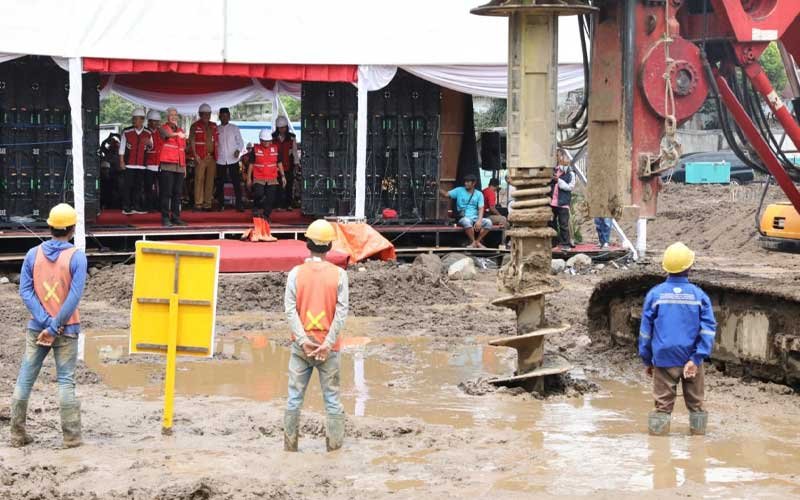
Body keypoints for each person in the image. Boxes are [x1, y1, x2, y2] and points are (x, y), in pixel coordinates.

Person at [10, 203, 87, 448]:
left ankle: (17, 434)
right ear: (72, 229)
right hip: (67, 329)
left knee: (25, 379)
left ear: (50, 226)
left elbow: (25, 291)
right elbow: (74, 297)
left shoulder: (33, 254)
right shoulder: (77, 257)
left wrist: (44, 322)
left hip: (37, 328)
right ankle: (71, 437)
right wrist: (55, 327)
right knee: (66, 381)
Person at [284, 219, 348, 452]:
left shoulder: (295, 274)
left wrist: (303, 341)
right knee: (332, 399)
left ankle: (290, 448)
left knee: (294, 399)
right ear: (329, 246)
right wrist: (328, 343)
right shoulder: (340, 275)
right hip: (329, 349)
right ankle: (334, 449)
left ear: (307, 243)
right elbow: (341, 313)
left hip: (301, 347)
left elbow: (290, 310)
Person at [639, 242, 717, 437]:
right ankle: (698, 446)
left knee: (662, 406)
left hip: (664, 359)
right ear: (689, 267)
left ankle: (658, 449)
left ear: (665, 267)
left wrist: (647, 360)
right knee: (696, 405)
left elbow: (645, 333)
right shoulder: (699, 296)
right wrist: (696, 359)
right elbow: (708, 329)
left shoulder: (655, 295)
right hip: (692, 360)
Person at [440, 174, 492, 248]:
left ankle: (477, 241)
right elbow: (446, 194)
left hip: (475, 217)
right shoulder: (459, 190)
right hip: (463, 217)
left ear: (474, 183)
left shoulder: (479, 194)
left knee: (488, 223)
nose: (465, 183)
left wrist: (479, 220)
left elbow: (481, 208)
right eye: (465, 182)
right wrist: (437, 187)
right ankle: (473, 242)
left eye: (468, 182)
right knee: (466, 221)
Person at [246, 129, 285, 222]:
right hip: (259, 177)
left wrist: (283, 176)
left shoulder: (275, 149)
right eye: (265, 141)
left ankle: (266, 215)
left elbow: (279, 163)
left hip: (272, 178)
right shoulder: (255, 150)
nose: (267, 143)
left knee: (271, 198)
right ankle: (256, 206)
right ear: (260, 140)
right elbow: (251, 165)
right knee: (259, 193)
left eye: (268, 141)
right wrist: (248, 179)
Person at [119, 108, 152, 215]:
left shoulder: (148, 132)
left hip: (142, 165)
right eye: (133, 119)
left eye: (136, 119)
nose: (133, 121)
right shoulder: (126, 131)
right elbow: (122, 148)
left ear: (142, 120)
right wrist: (121, 161)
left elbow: (151, 147)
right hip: (129, 164)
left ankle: (136, 206)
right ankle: (126, 206)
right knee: (127, 185)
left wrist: (149, 144)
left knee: (138, 186)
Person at [158, 107, 188, 227]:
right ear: (167, 116)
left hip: (179, 166)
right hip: (167, 165)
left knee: (178, 193)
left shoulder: (180, 131)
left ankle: (176, 217)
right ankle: (165, 218)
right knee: (166, 193)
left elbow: (182, 150)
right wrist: (178, 134)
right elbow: (167, 135)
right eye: (171, 115)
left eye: (175, 114)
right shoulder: (163, 128)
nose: (174, 116)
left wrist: (184, 167)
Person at [189, 103, 219, 211]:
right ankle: (198, 204)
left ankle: (207, 203)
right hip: (200, 157)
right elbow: (191, 140)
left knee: (210, 181)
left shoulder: (214, 125)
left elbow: (217, 140)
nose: (207, 116)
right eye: (205, 114)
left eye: (209, 114)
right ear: (200, 114)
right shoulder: (195, 125)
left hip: (212, 157)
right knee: (199, 179)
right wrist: (195, 155)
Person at [215, 107, 245, 211]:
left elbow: (241, 142)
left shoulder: (234, 128)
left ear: (229, 116)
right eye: (222, 116)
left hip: (233, 159)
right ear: (219, 117)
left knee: (236, 182)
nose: (224, 118)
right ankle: (221, 204)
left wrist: (238, 150)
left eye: (226, 116)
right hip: (220, 159)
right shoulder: (216, 129)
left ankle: (239, 204)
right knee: (220, 183)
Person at [549, 149, 575, 250]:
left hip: (563, 203)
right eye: (559, 157)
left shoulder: (571, 173)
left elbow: (570, 187)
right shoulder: (554, 170)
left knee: (563, 224)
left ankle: (565, 244)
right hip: (553, 203)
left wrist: (558, 180)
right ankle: (554, 243)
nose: (561, 159)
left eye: (562, 157)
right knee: (552, 223)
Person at [272, 115, 299, 210]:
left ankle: (289, 204)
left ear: (286, 127)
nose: (282, 130)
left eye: (283, 128)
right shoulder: (272, 137)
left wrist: (296, 163)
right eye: (280, 128)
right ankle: (278, 204)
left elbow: (295, 151)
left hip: (289, 164)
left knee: (289, 184)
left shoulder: (292, 137)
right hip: (276, 165)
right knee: (277, 185)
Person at [144, 110, 163, 212]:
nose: (155, 123)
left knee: (161, 188)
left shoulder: (161, 133)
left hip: (160, 164)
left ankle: (160, 206)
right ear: (149, 121)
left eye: (157, 121)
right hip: (149, 164)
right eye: (153, 121)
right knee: (149, 187)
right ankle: (149, 206)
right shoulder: (145, 132)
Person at [98, 132, 121, 209]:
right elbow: (102, 145)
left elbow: (125, 144)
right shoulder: (107, 152)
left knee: (118, 189)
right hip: (109, 175)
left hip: (119, 174)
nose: (114, 145)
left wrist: (118, 136)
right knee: (107, 189)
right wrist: (109, 138)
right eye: (112, 144)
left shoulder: (120, 152)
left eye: (115, 144)